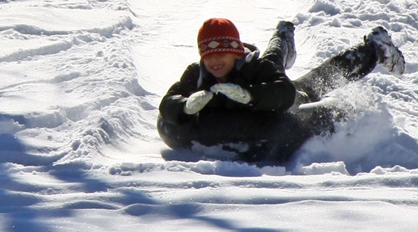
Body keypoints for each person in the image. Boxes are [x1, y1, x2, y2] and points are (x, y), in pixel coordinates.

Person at [157, 18, 405, 163]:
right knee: (274, 59)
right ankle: (283, 35)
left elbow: (284, 93)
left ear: (235, 52)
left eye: (222, 54)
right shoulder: (197, 74)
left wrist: (250, 95)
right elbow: (169, 102)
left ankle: (375, 49)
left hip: (285, 104)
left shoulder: (257, 67)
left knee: (297, 70)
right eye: (209, 56)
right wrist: (185, 107)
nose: (215, 62)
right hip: (251, 106)